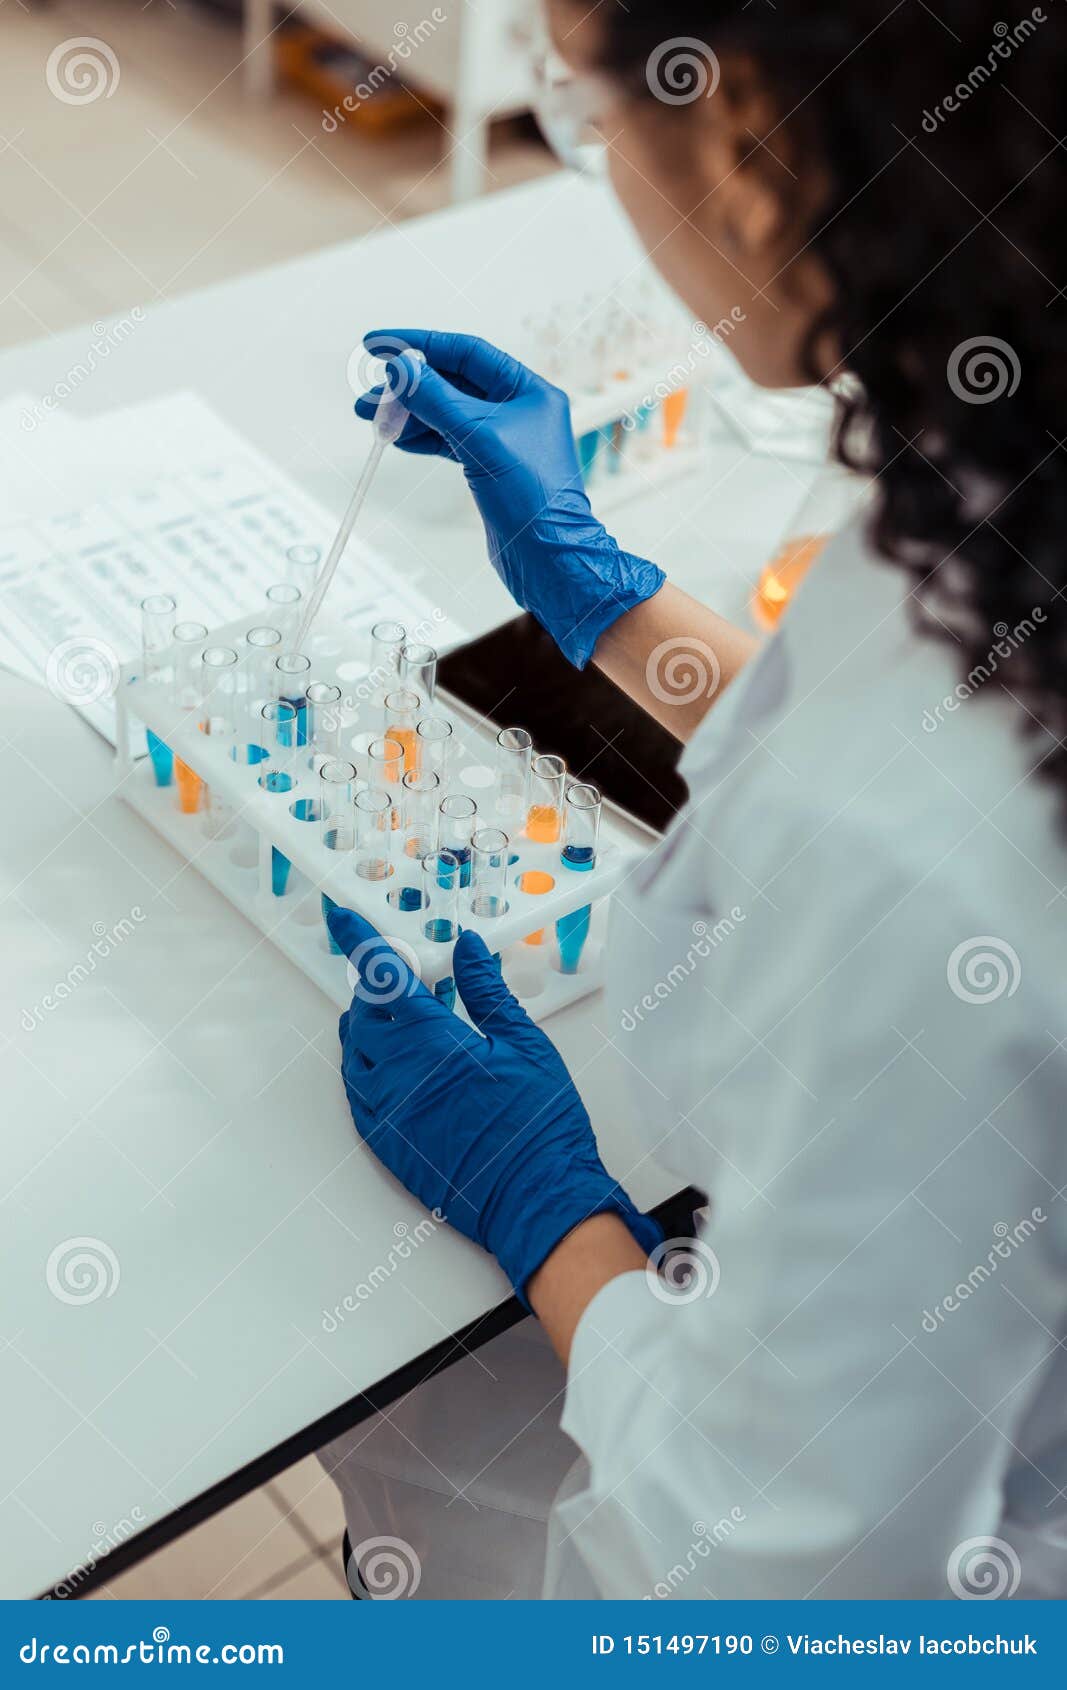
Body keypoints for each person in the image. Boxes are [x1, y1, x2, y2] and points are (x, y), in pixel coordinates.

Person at [319, 0, 1067, 1600]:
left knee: (412, 1402)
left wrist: (548, 1208)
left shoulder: (912, 881)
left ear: (738, 140)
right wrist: (602, 600)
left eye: (580, 112)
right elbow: (923, 701)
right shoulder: (1004, 440)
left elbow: (767, 1566)